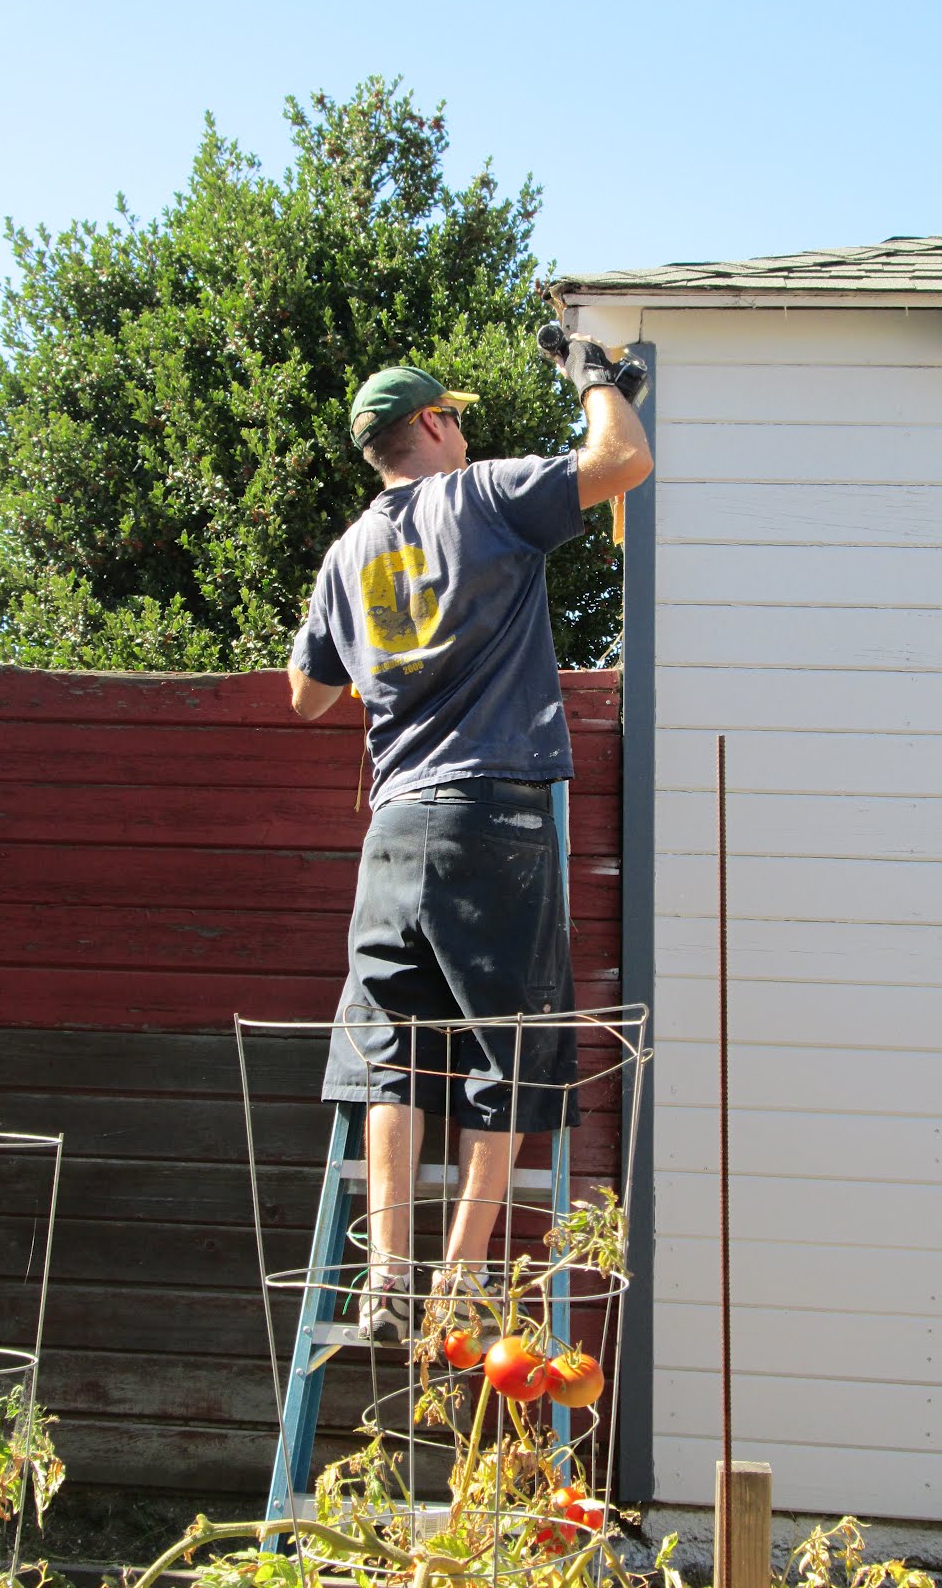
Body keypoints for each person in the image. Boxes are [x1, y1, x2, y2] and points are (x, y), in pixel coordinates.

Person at [287, 341, 652, 1343]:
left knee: (392, 1051)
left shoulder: (346, 556)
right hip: (495, 811)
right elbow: (623, 460)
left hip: (395, 825)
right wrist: (598, 382)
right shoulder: (484, 497)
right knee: (516, 1047)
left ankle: (387, 1278)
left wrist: (387, 661)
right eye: (460, 419)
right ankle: (457, 1281)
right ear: (437, 427)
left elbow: (307, 693)